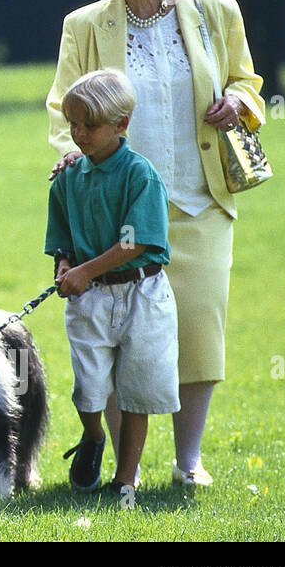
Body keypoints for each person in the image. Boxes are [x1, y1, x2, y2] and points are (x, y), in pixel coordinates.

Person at [47, 0, 266, 487]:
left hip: (200, 198)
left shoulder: (216, 12)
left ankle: (188, 461)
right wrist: (70, 154)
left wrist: (240, 103)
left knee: (197, 331)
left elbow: (248, 79)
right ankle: (126, 470)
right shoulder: (86, 26)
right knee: (120, 338)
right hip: (116, 208)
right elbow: (60, 106)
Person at [46, 69, 178, 500]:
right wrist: (66, 265)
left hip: (142, 293)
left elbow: (135, 241)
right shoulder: (67, 177)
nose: (79, 134)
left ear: (121, 125)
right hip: (90, 299)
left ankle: (124, 479)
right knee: (89, 388)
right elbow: (61, 236)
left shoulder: (140, 175)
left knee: (137, 390)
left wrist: (86, 270)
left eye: (90, 125)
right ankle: (93, 436)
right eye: (73, 125)